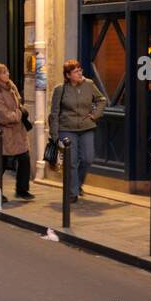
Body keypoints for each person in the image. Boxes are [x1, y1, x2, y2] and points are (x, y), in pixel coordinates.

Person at [47, 58, 107, 204]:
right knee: (71, 162)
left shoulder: (89, 84)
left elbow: (101, 99)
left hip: (86, 127)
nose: (80, 73)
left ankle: (77, 184)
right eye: (76, 71)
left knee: (88, 158)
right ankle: (72, 192)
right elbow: (54, 113)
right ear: (68, 75)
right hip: (67, 129)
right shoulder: (60, 89)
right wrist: (54, 135)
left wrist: (95, 115)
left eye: (80, 70)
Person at [0, 62, 33, 201]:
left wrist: (20, 109)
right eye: (4, 72)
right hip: (4, 134)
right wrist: (19, 113)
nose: (8, 74)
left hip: (18, 132)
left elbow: (17, 104)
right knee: (1, 164)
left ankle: (22, 189)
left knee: (24, 159)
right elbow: (4, 117)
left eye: (7, 71)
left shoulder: (11, 87)